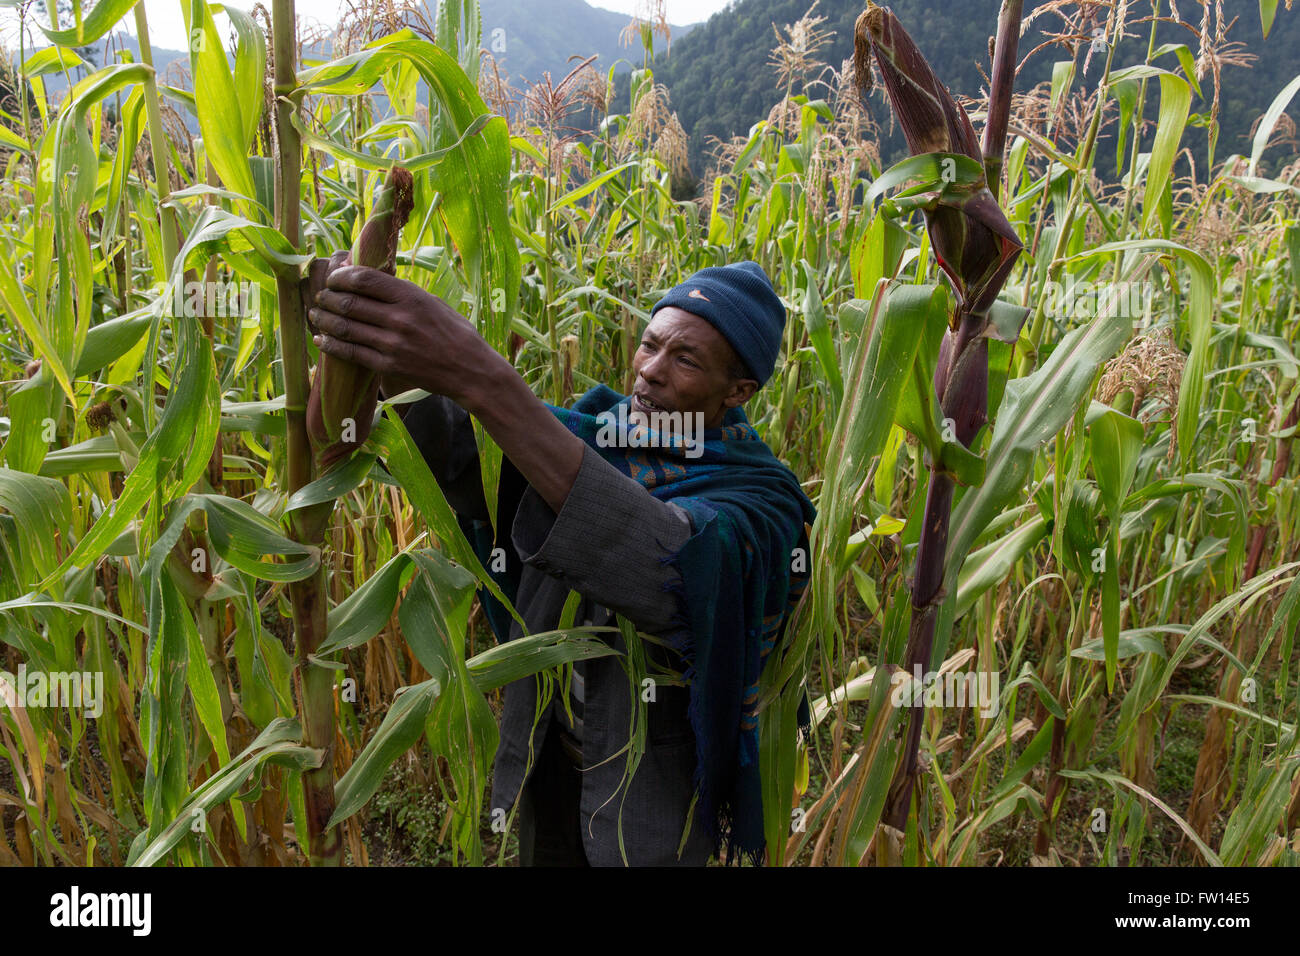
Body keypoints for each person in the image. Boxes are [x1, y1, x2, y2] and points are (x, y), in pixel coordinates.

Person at [308, 259, 815, 866]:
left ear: (738, 392)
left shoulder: (763, 503)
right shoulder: (599, 432)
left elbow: (666, 564)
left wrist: (485, 379)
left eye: (685, 360)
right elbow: (476, 465)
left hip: (653, 798)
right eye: (650, 345)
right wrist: (379, 364)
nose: (650, 372)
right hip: (552, 753)